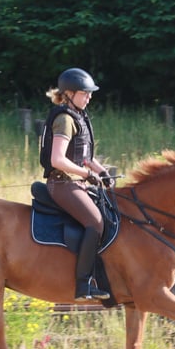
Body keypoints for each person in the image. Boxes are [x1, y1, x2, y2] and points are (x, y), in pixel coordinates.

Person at [39, 67, 113, 301]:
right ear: (69, 93)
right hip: (63, 184)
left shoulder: (78, 117)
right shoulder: (64, 119)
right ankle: (83, 284)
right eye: (84, 93)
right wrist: (86, 174)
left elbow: (84, 156)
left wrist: (101, 171)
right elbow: (57, 160)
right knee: (95, 222)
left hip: (77, 183)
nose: (89, 97)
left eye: (90, 93)